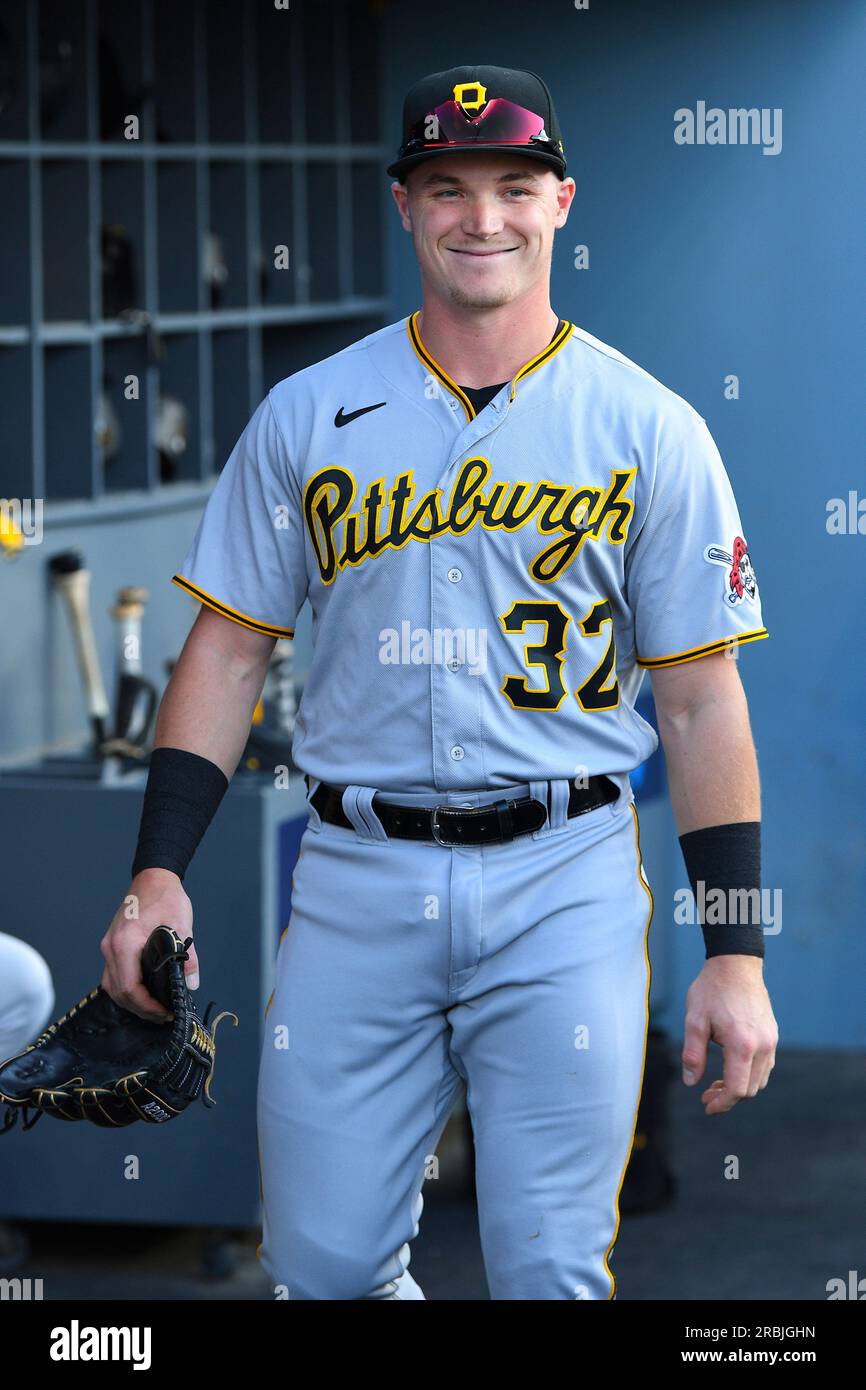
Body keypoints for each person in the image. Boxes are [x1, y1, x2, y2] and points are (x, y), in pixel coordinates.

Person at [101, 64, 778, 1300]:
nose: (483, 217)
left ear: (561, 201)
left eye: (513, 185)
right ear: (404, 208)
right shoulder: (308, 413)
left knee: (547, 1271)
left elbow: (697, 698)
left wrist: (733, 952)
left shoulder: (650, 426)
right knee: (323, 1267)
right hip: (358, 876)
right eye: (447, 187)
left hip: (563, 874)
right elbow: (226, 648)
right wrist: (158, 875)